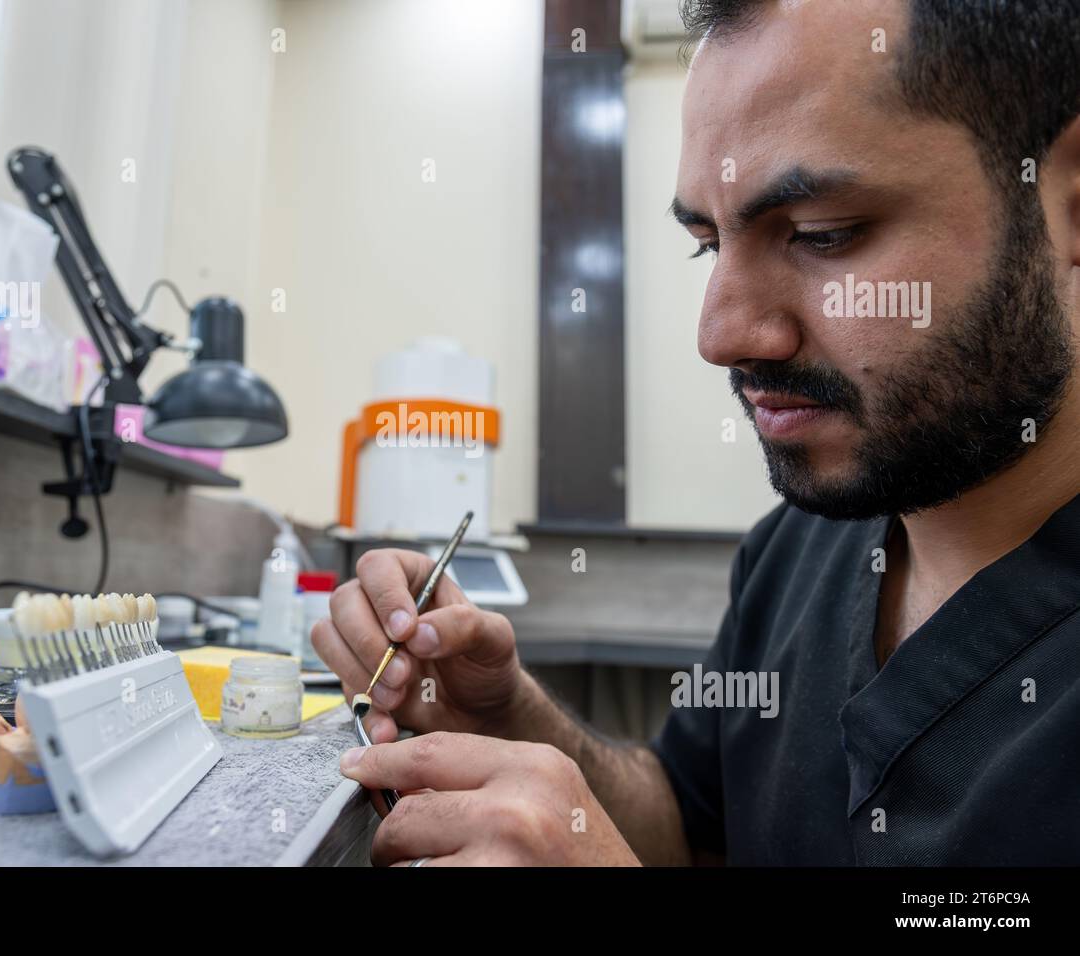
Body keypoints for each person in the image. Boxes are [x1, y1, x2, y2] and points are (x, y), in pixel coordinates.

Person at [312, 0, 1080, 865]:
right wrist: (509, 723)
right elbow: (693, 829)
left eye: (823, 236)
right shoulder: (796, 555)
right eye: (707, 244)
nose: (720, 336)